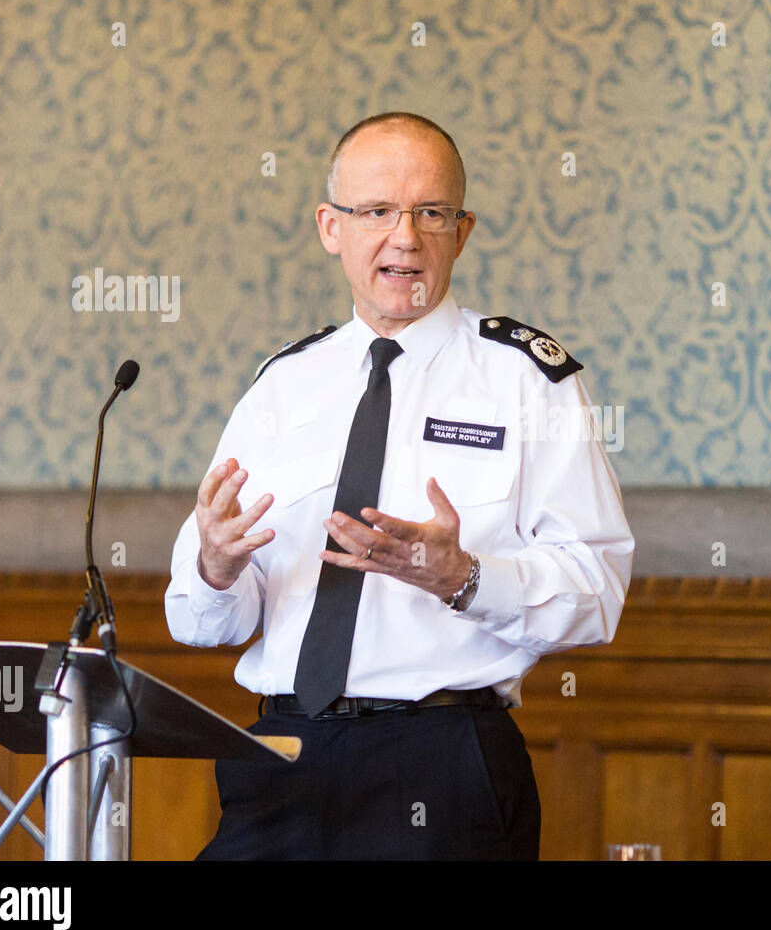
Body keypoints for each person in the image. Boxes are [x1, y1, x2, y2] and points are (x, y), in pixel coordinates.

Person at [164, 112, 634, 860]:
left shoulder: (525, 379)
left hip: (442, 764)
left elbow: (597, 590)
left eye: (432, 213)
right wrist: (215, 566)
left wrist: (465, 578)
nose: (405, 236)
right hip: (279, 759)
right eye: (377, 211)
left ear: (463, 230)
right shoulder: (282, 386)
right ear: (330, 227)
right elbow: (202, 622)